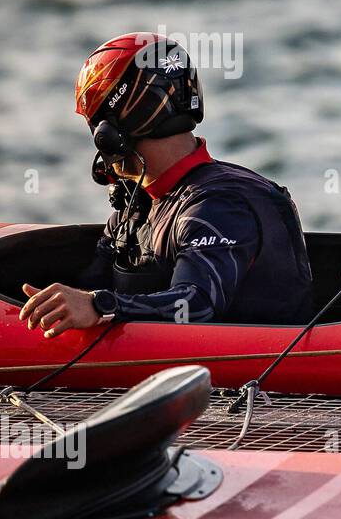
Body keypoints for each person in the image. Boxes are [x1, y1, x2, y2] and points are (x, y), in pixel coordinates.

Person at [18, 32, 314, 337]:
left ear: (112, 132)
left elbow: (195, 305)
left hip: (249, 378)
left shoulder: (217, 206)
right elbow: (90, 280)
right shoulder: (137, 208)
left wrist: (99, 307)